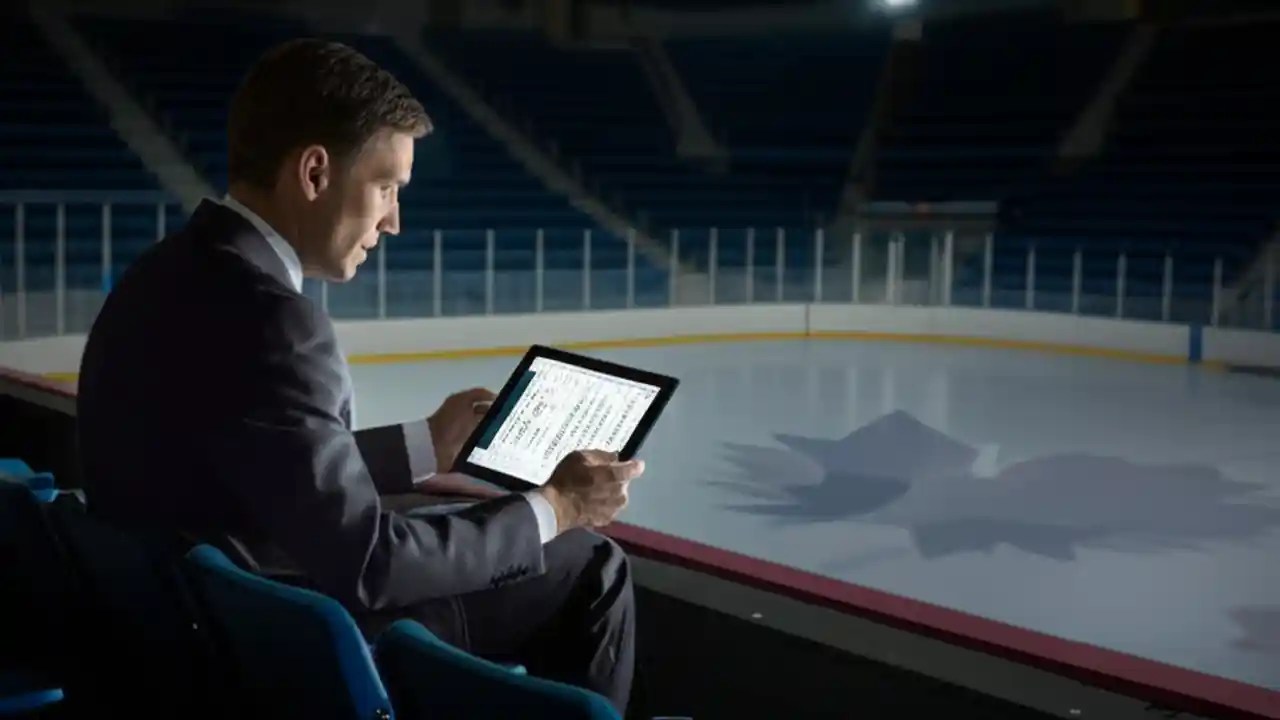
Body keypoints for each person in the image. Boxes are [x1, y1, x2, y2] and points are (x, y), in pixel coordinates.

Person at [75, 38, 644, 714]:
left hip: (188, 627)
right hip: (276, 644)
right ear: (315, 172)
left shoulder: (160, 272)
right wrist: (559, 508)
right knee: (591, 562)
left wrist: (426, 445)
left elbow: (256, 461)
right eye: (386, 187)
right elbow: (372, 563)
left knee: (465, 516)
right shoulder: (280, 323)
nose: (394, 221)